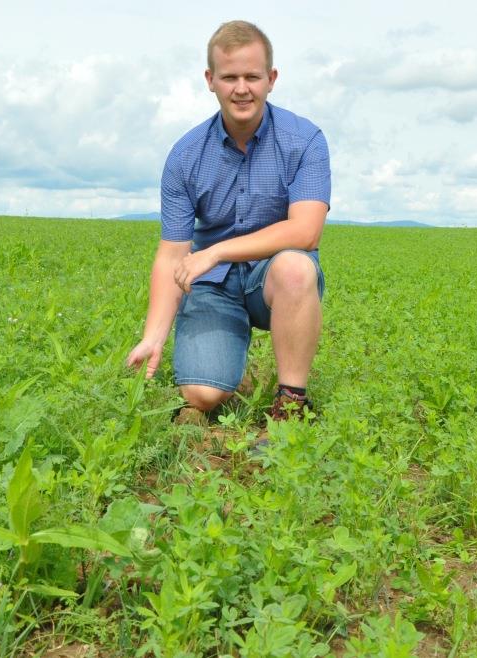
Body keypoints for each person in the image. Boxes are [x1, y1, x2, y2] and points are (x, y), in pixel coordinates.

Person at [125, 19, 331, 423]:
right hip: (214, 286)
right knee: (202, 395)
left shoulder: (304, 141)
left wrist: (215, 252)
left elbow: (306, 231)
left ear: (271, 79)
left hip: (272, 278)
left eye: (252, 77)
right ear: (210, 80)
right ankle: (221, 364)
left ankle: (291, 403)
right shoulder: (185, 156)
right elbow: (172, 255)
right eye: (229, 77)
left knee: (296, 267)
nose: (241, 88)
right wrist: (154, 337)